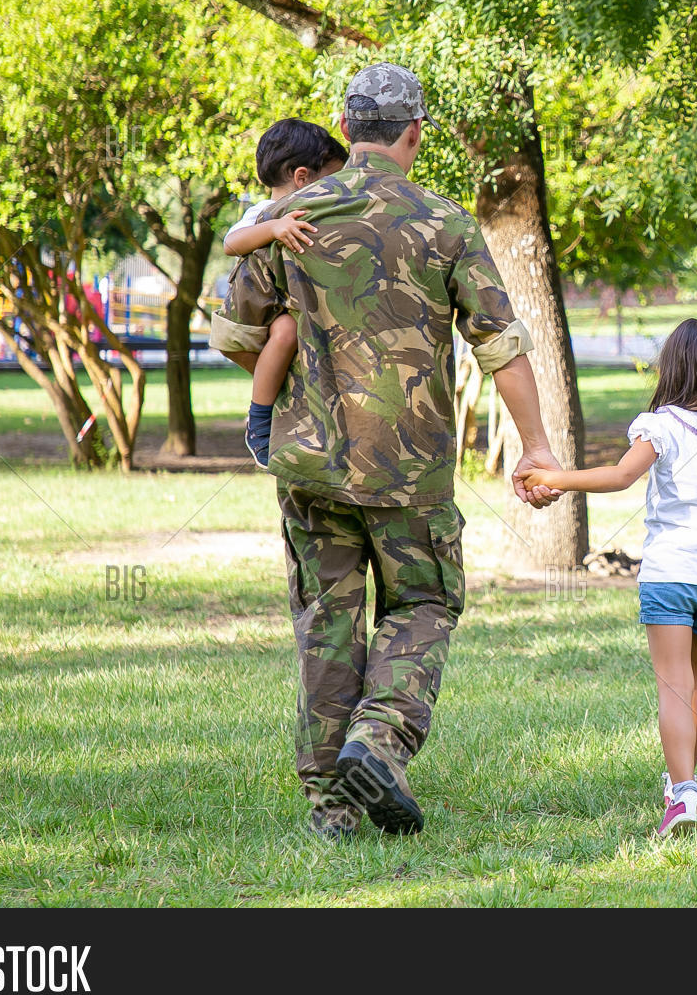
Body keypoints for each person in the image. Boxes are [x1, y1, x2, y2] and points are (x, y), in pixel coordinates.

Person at [210, 63, 563, 839]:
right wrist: (536, 445)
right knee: (424, 603)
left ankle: (331, 804)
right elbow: (500, 346)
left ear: (346, 125)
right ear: (414, 132)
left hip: (309, 466)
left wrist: (301, 387)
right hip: (413, 470)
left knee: (328, 619)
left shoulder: (289, 214)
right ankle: (378, 742)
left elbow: (234, 335)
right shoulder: (444, 223)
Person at [517, 318, 697, 837]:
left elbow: (620, 476)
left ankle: (684, 795)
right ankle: (685, 783)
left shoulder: (663, 425)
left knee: (673, 687)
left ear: (673, 366)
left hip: (671, 573)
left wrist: (553, 478)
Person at [220, 118, 348, 466]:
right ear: (303, 177)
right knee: (288, 330)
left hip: (279, 310)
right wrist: (274, 227)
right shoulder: (264, 212)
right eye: (332, 179)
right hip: (253, 320)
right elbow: (231, 243)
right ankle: (259, 421)